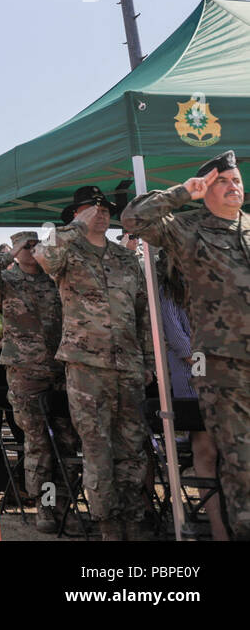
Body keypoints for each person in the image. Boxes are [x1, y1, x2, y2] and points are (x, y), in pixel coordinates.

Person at [122, 149, 249, 540]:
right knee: (241, 460)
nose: (233, 187)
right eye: (222, 181)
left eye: (237, 180)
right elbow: (133, 219)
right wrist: (182, 192)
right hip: (224, 365)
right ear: (206, 188)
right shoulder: (188, 229)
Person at [36, 185, 152, 540]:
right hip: (86, 366)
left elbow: (143, 313)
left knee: (133, 447)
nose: (100, 213)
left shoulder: (125, 258)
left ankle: (136, 521)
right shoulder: (67, 251)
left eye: (104, 208)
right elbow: (43, 255)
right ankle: (108, 526)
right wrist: (75, 226)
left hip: (129, 366)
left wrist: (147, 360)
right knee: (97, 447)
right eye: (91, 208)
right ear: (75, 214)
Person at [0, 230, 77, 533]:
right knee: (38, 442)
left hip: (59, 370)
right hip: (24, 372)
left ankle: (64, 505)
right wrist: (10, 253)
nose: (32, 251)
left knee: (66, 441)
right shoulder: (7, 281)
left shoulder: (54, 278)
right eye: (27, 246)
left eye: (36, 245)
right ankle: (44, 508)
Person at [154, 250, 228, 540]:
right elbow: (179, 342)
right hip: (195, 386)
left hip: (229, 386)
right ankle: (217, 527)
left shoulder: (220, 287)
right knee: (206, 452)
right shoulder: (169, 292)